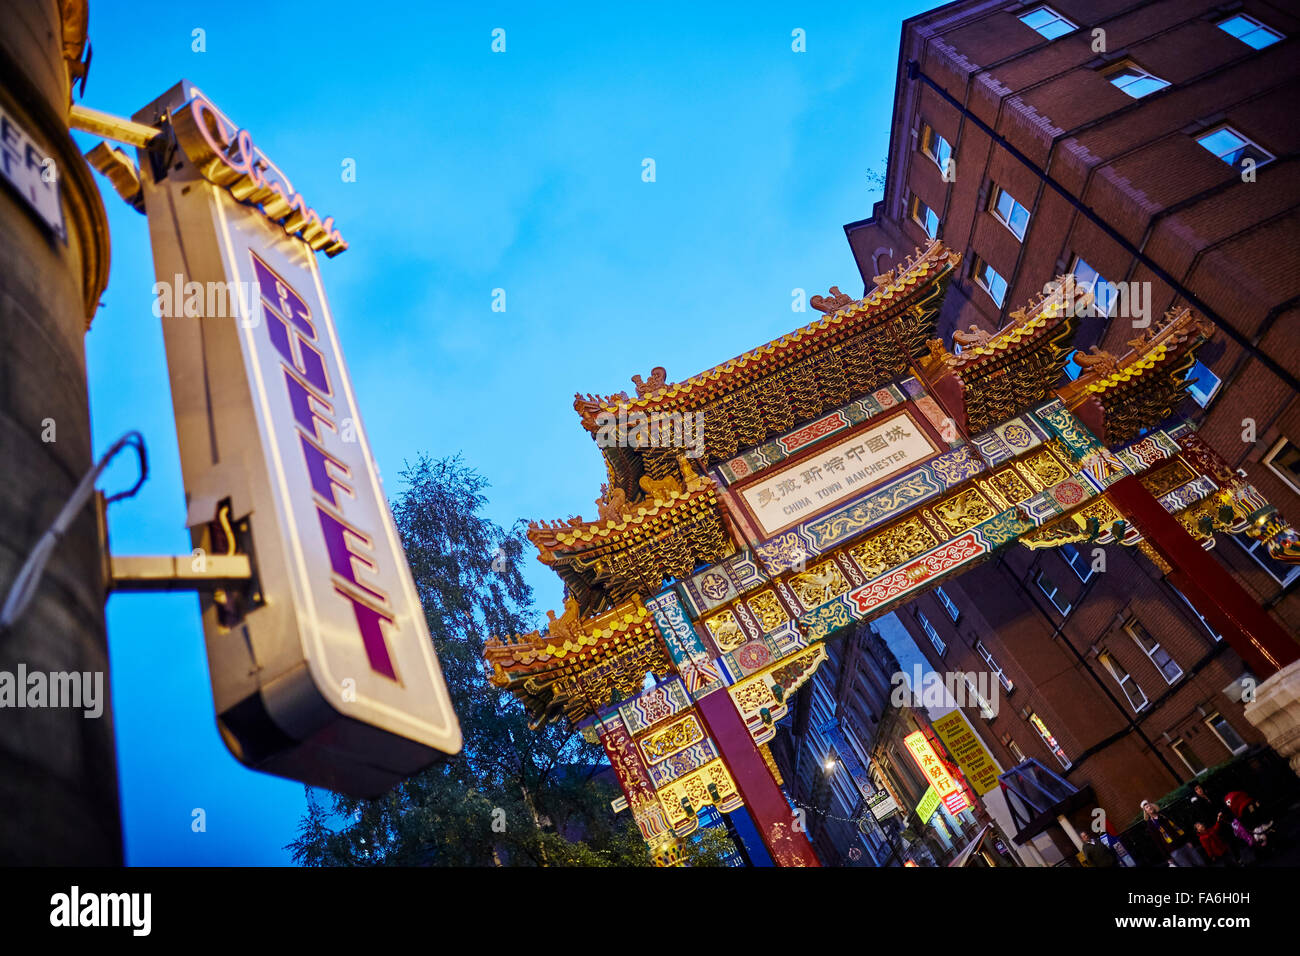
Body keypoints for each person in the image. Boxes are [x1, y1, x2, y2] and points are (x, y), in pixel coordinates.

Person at [1141, 799, 1204, 866]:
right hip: (1173, 850)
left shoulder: (1163, 814)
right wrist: (1167, 857)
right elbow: (1158, 841)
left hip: (1183, 843)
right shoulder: (1150, 824)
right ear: (1146, 812)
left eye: (1150, 805)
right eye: (1147, 807)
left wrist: (1187, 840)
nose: (1149, 807)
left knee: (1200, 862)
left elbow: (1178, 826)